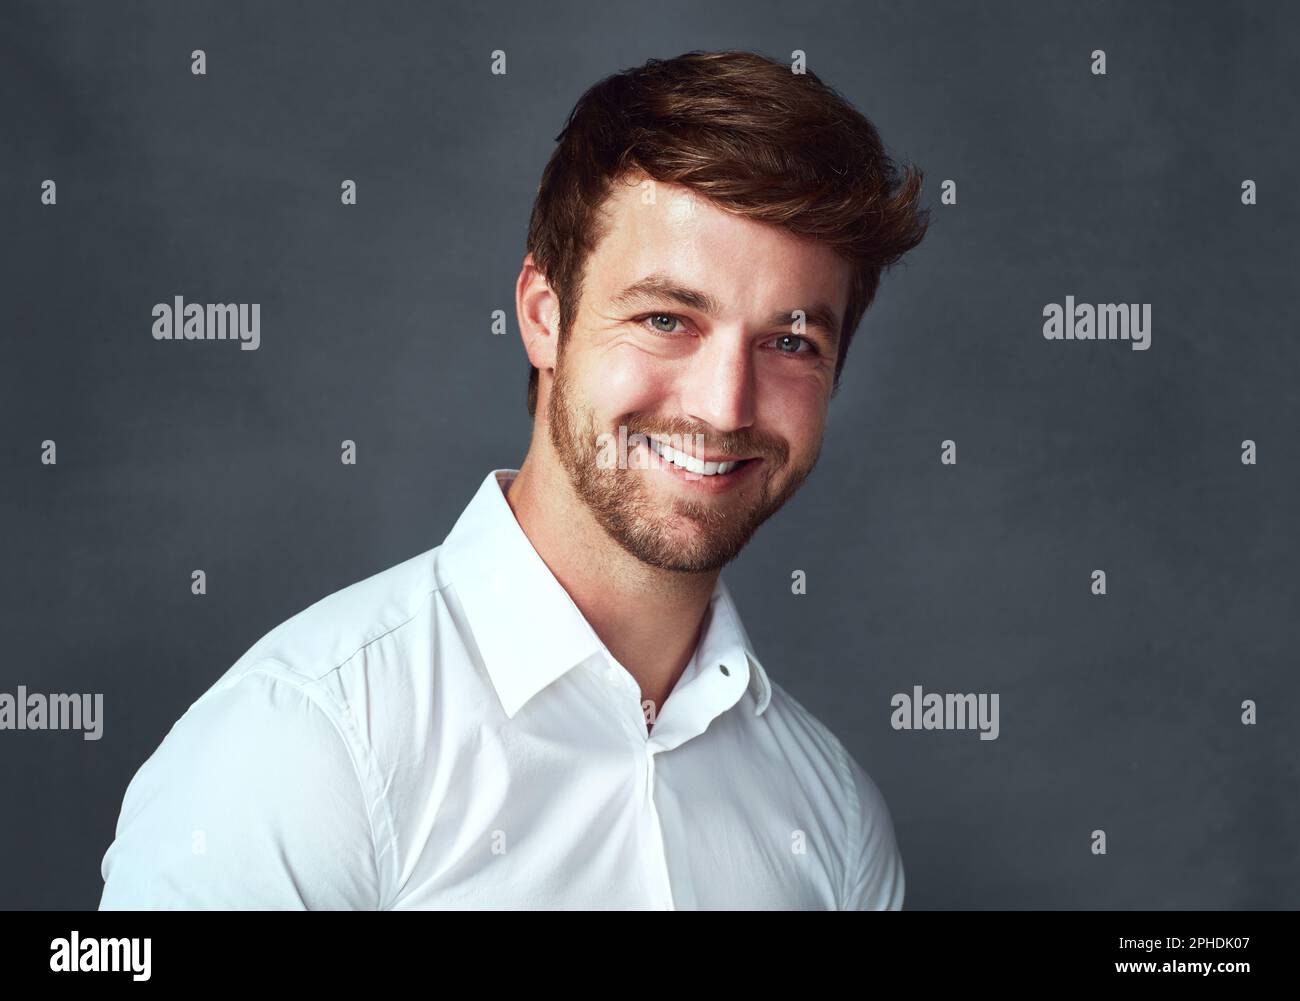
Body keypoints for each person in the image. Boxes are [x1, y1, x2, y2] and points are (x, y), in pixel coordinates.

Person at [99, 48, 930, 909]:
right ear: (544, 315)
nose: (725, 407)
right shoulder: (306, 744)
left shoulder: (834, 823)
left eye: (790, 341)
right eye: (665, 318)